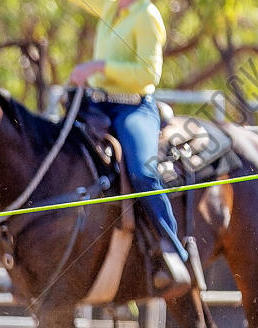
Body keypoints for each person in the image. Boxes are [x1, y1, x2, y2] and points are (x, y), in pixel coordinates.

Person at [64, 0, 192, 297]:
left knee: (142, 173)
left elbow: (148, 74)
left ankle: (172, 250)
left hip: (133, 108)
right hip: (99, 104)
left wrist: (98, 66)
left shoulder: (146, 15)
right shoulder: (110, 7)